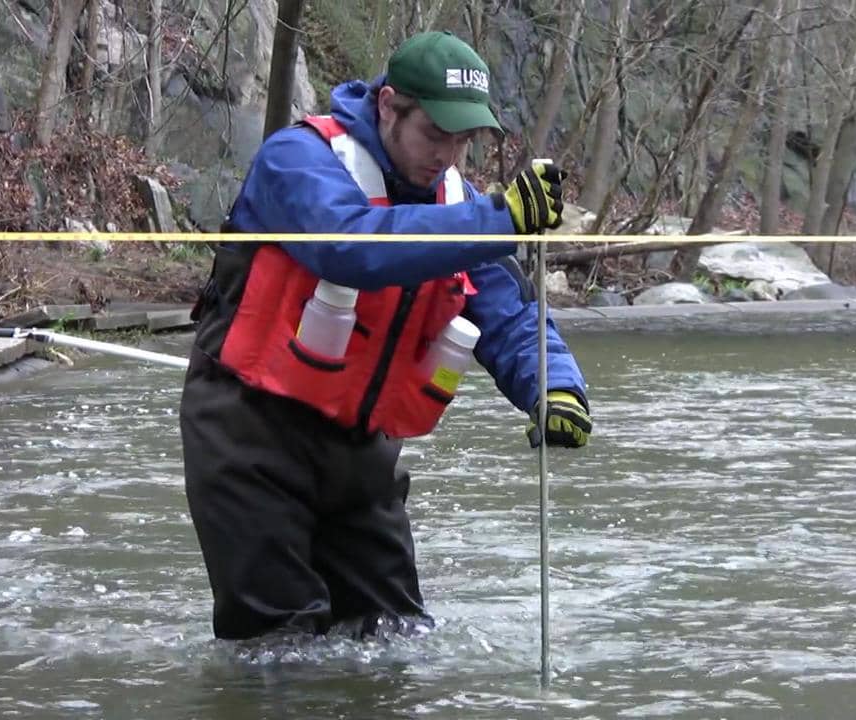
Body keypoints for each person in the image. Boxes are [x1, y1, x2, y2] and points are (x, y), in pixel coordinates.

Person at [179, 30, 593, 641]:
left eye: (462, 140)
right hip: (249, 436)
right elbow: (351, 246)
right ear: (388, 106)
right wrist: (499, 220)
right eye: (434, 133)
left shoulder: (460, 207)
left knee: (398, 641)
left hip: (359, 452)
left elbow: (508, 313)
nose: (447, 156)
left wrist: (554, 387)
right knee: (277, 648)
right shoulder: (297, 159)